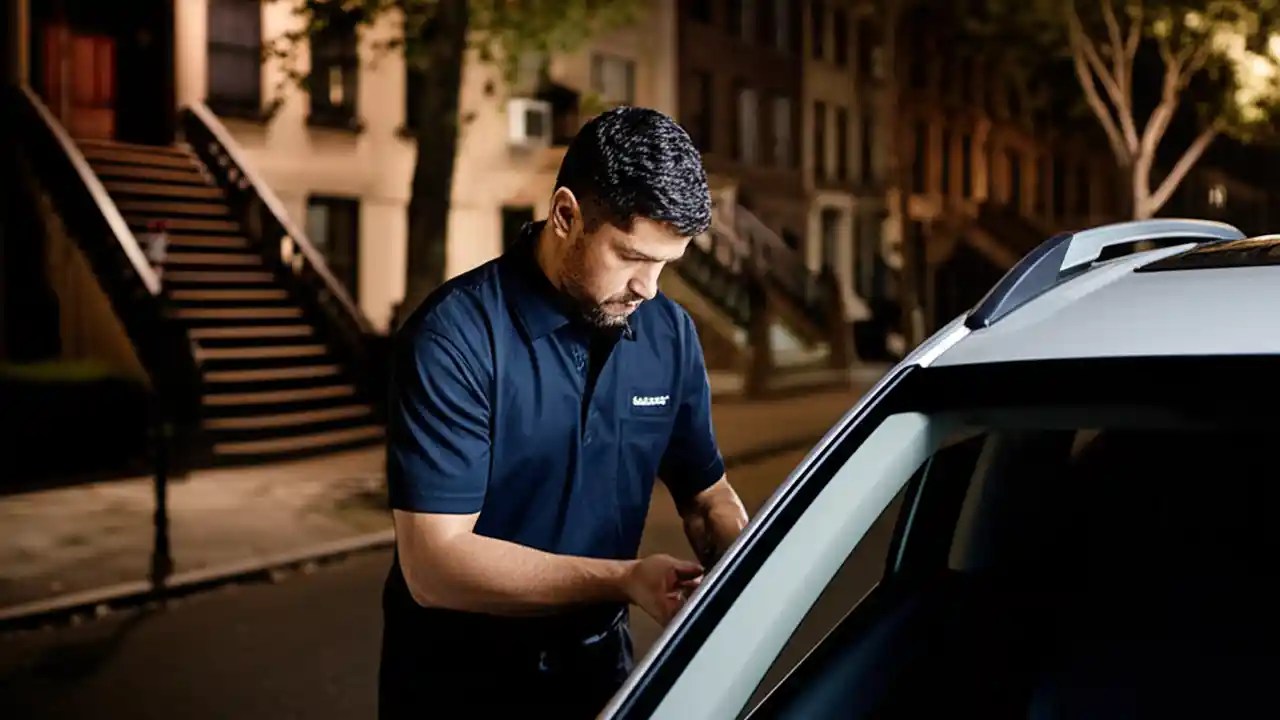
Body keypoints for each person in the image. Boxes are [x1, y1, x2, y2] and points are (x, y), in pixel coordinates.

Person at [378, 106, 750, 718]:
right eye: (632, 257)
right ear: (566, 215)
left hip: (598, 679)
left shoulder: (670, 336)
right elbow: (435, 566)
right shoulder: (454, 338)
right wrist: (622, 580)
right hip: (455, 685)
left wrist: (751, 579)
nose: (648, 288)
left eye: (665, 265)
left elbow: (708, 501)